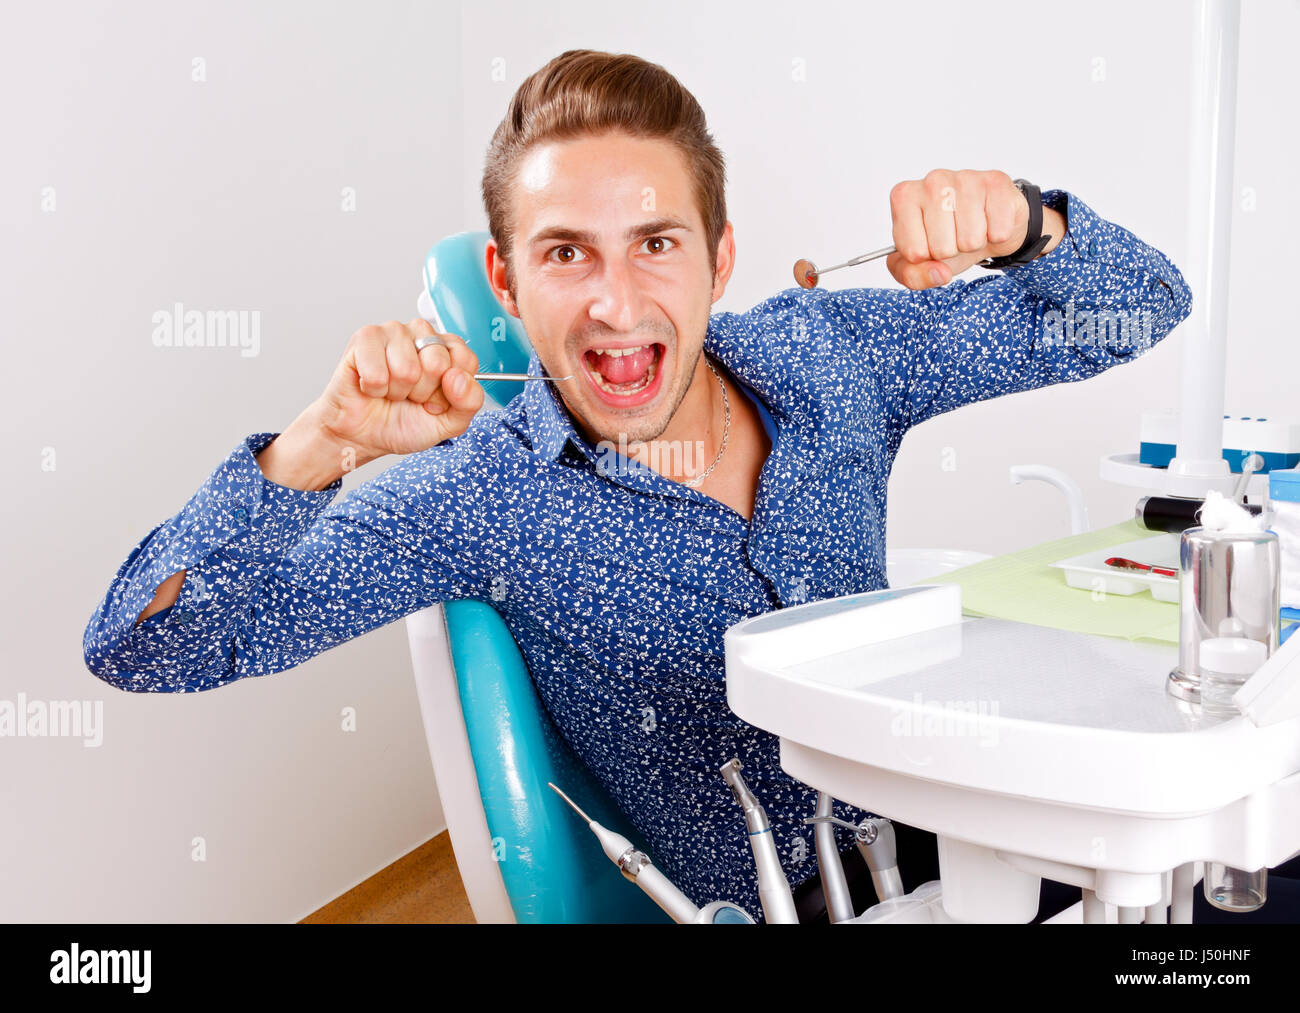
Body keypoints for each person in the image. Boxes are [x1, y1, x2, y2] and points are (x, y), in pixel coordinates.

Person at [84, 48, 1194, 923]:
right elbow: (145, 645)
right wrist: (314, 446)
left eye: (653, 242)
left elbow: (1144, 303)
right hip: (813, 902)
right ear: (505, 280)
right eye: (566, 252)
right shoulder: (480, 495)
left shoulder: (833, 353)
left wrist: (1025, 222)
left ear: (717, 258)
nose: (615, 303)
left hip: (1002, 827)